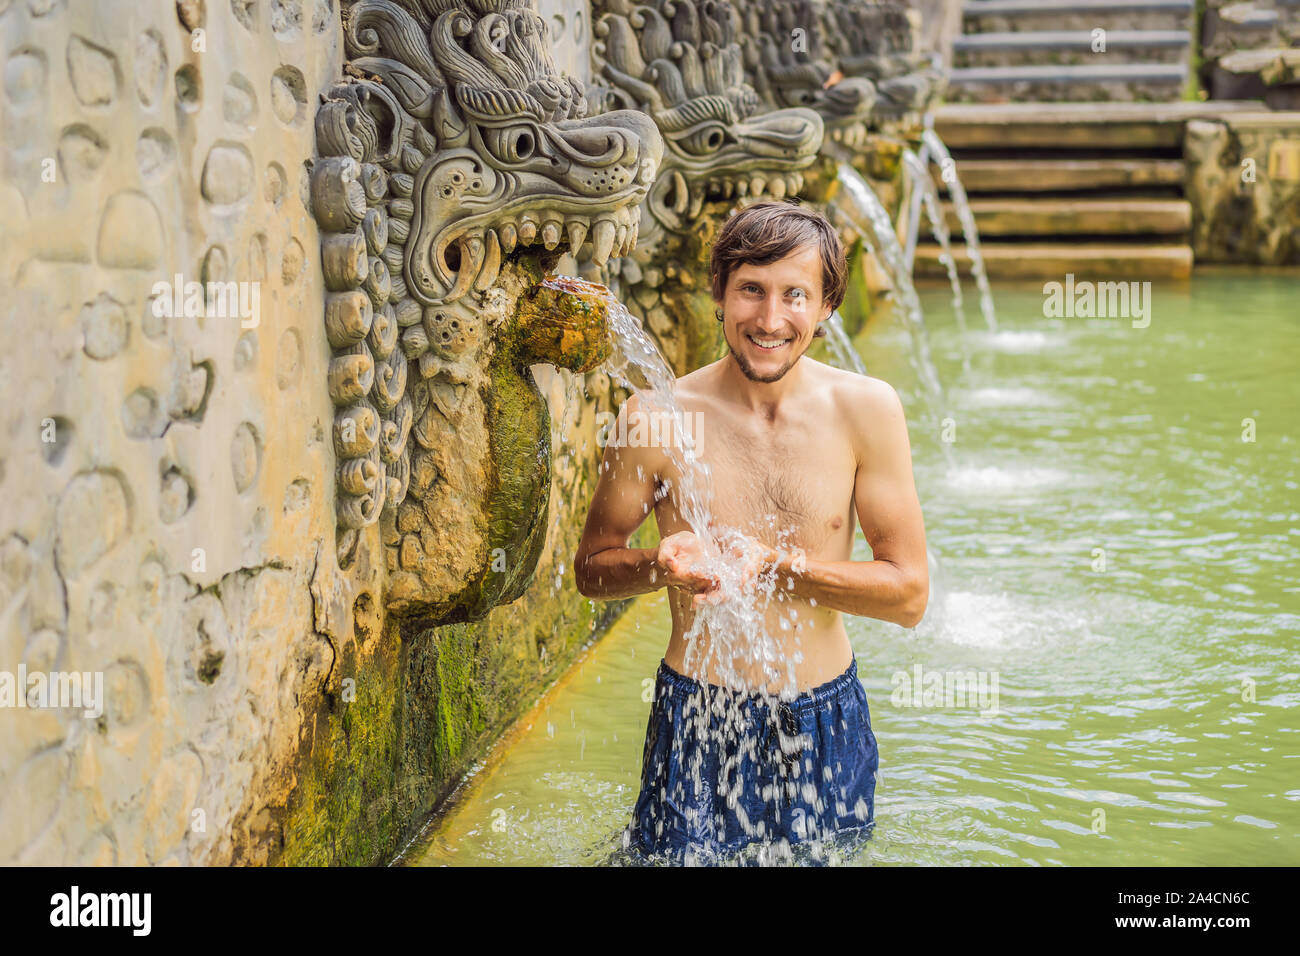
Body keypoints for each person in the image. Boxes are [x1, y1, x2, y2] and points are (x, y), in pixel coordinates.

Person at [574, 200, 929, 864]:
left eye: (794, 295)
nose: (770, 320)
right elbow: (591, 570)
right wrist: (660, 564)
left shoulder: (867, 410)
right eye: (751, 292)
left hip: (824, 716)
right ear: (719, 293)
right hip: (696, 718)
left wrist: (774, 567)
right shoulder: (654, 418)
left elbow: (907, 596)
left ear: (826, 306)